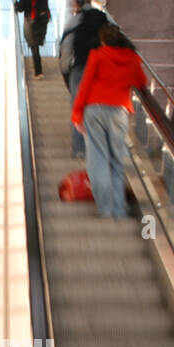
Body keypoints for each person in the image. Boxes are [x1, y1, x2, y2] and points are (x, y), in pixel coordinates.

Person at [71, 25, 147, 219]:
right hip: (119, 113)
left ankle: (106, 209)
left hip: (94, 110)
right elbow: (141, 82)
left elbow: (85, 85)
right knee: (116, 161)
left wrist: (77, 114)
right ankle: (119, 209)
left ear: (103, 40)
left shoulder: (98, 55)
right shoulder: (132, 59)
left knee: (98, 160)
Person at [59, 0, 111, 158]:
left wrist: (66, 70)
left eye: (73, 3)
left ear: (79, 3)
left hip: (80, 68)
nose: (72, 6)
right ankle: (101, 148)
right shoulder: (104, 17)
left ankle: (80, 149)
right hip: (102, 69)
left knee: (78, 107)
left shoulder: (75, 21)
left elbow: (66, 47)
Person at [15, 0, 51, 79]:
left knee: (33, 45)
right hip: (43, 22)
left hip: (32, 20)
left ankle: (38, 71)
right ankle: (37, 69)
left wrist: (16, 4)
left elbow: (21, 7)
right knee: (36, 45)